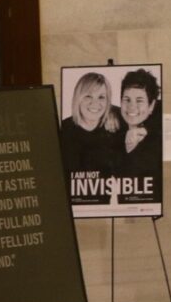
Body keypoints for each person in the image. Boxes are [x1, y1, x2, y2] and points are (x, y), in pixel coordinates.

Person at [60, 71, 124, 206]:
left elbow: (145, 112)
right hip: (71, 211)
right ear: (78, 98)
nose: (95, 103)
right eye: (88, 96)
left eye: (102, 97)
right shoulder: (64, 129)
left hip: (105, 210)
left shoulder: (116, 123)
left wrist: (111, 111)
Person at [115, 69, 162, 206]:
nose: (132, 106)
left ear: (151, 106)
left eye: (139, 100)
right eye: (126, 99)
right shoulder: (113, 133)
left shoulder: (157, 140)